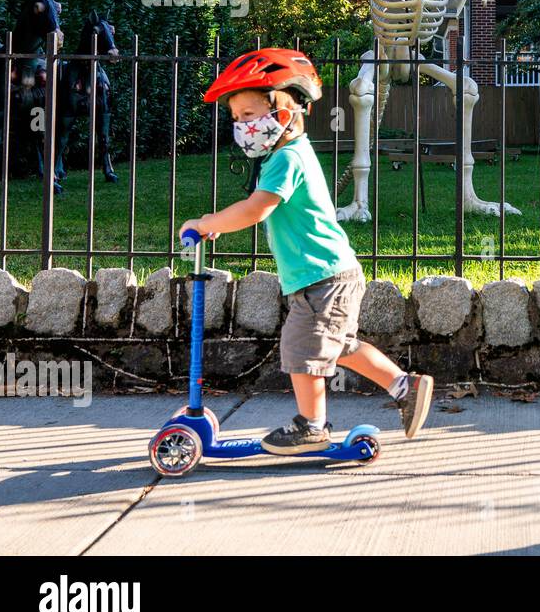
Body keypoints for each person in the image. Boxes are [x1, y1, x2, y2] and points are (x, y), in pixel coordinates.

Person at [179, 48, 434, 454]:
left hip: (322, 279)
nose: (241, 126)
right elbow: (256, 209)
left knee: (300, 348)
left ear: (284, 112)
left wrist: (207, 223)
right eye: (235, 118)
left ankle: (311, 426)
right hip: (330, 273)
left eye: (248, 115)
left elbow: (257, 208)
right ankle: (405, 386)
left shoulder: (285, 158)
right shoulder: (288, 155)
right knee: (339, 346)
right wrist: (217, 221)